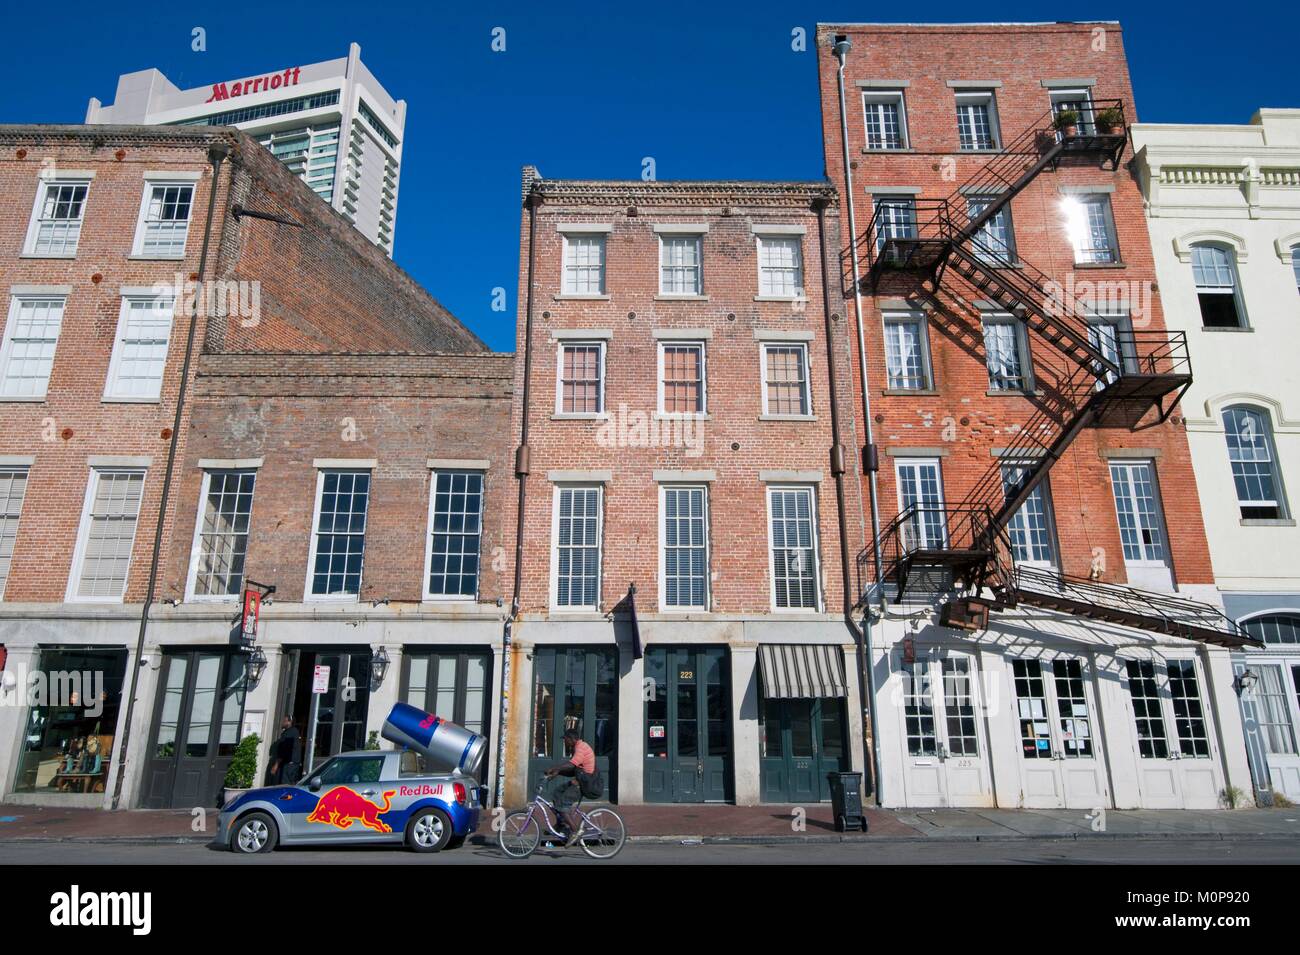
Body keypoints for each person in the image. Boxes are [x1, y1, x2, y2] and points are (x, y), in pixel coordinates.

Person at [544, 728, 596, 847]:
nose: (565, 742)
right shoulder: (578, 747)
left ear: (572, 739)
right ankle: (562, 824)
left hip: (583, 784)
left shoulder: (581, 747)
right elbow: (574, 769)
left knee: (562, 804)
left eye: (566, 739)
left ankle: (575, 831)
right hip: (579, 780)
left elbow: (572, 764)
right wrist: (558, 773)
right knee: (557, 793)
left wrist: (555, 768)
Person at [269, 716, 301, 785]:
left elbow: (284, 750)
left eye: (284, 721)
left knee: (286, 785)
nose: (282, 723)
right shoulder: (293, 731)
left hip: (289, 765)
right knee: (290, 784)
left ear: (289, 722)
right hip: (292, 764)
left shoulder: (290, 733)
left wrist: (276, 765)